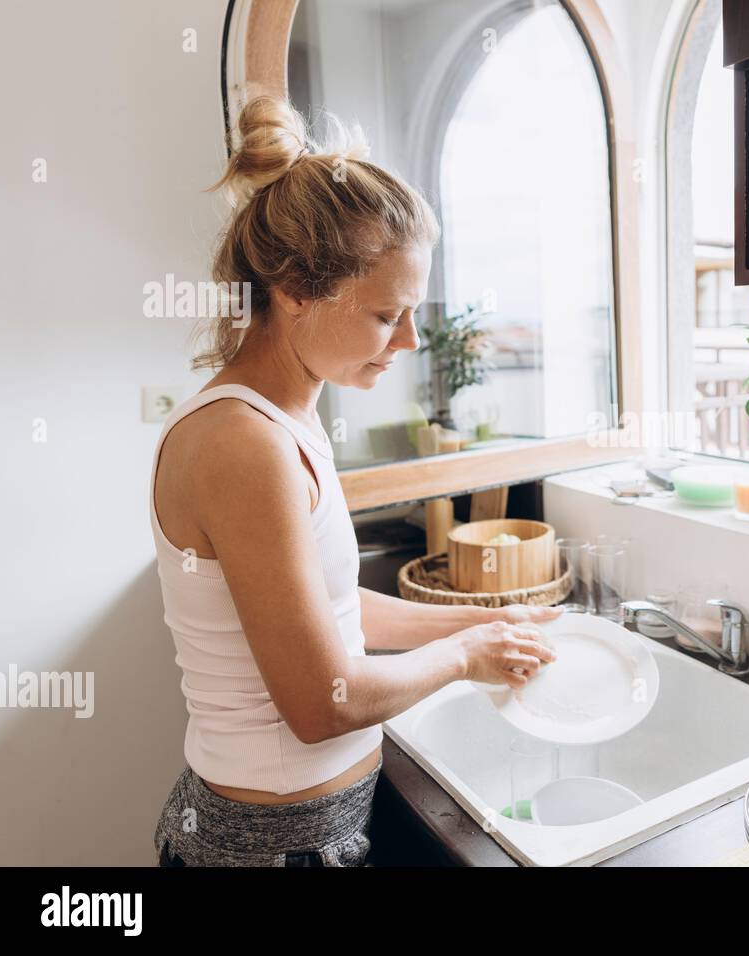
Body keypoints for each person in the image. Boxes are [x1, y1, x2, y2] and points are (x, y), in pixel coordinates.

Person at [149, 96, 558, 866]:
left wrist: (496, 622)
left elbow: (332, 610)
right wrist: (465, 654)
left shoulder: (285, 422)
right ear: (297, 290)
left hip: (314, 831)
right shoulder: (243, 443)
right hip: (265, 852)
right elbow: (318, 702)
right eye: (384, 316)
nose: (407, 340)